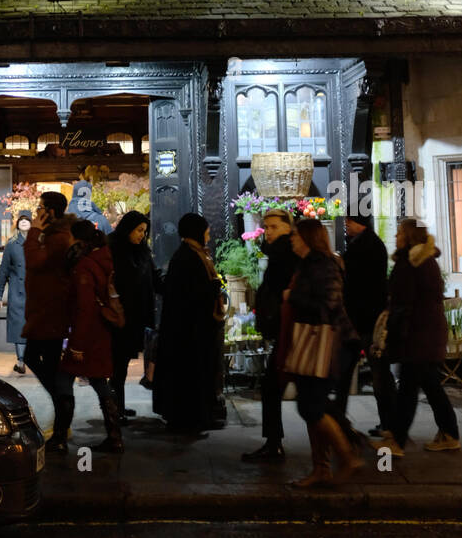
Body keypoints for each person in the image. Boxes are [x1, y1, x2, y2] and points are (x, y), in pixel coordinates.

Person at [283, 218, 361, 488]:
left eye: (295, 235)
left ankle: (347, 456)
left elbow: (329, 303)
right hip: (314, 343)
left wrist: (291, 297)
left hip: (329, 343)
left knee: (311, 406)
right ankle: (322, 468)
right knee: (309, 406)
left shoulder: (325, 264)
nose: (291, 239)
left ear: (307, 238)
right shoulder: (307, 264)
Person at [374, 221, 460, 455]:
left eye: (400, 232)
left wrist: (392, 332)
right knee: (430, 385)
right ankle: (449, 433)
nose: (396, 235)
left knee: (408, 389)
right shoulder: (424, 261)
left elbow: (403, 303)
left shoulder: (413, 263)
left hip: (417, 335)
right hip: (426, 333)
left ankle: (396, 441)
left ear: (410, 236)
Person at [49, 221, 123, 454]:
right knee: (100, 381)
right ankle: (114, 436)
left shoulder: (84, 266)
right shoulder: (104, 258)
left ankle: (60, 437)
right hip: (101, 332)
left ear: (77, 239)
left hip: (87, 334)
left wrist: (77, 344)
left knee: (63, 380)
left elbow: (84, 307)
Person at [152, 213, 227, 434]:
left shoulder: (193, 254)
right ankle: (188, 419)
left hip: (191, 329)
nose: (209, 235)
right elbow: (188, 295)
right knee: (189, 375)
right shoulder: (187, 257)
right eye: (206, 232)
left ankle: (196, 416)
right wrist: (212, 289)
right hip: (187, 331)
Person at [241, 207, 299, 462]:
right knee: (290, 390)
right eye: (267, 227)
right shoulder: (279, 252)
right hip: (287, 331)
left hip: (292, 332)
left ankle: (274, 444)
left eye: (275, 227)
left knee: (275, 387)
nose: (269, 232)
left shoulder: (286, 254)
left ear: (289, 227)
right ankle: (274, 443)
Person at [333, 213, 394, 437]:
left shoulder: (367, 246)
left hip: (364, 320)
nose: (346, 226)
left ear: (360, 224)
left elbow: (356, 280)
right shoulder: (367, 243)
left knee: (376, 373)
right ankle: (387, 422)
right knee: (359, 372)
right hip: (362, 319)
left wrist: (341, 263)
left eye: (350, 222)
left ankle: (388, 423)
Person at [22, 191, 73, 415]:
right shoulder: (55, 234)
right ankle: (61, 408)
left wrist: (33, 231)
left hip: (49, 311)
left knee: (38, 358)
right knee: (45, 360)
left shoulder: (57, 237)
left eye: (40, 208)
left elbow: (34, 261)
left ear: (50, 211)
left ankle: (62, 404)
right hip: (45, 310)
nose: (37, 212)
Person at [108, 209, 163, 418]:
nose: (141, 235)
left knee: (121, 364)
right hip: (120, 316)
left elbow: (154, 277)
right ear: (128, 229)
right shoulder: (114, 248)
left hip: (136, 316)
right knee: (118, 366)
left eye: (144, 231)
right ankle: (114, 410)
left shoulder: (141, 251)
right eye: (139, 230)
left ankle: (118, 407)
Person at [0, 211, 30, 374]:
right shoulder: (11, 244)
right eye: (21, 220)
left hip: (35, 292)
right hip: (17, 291)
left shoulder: (39, 243)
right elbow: (3, 271)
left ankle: (32, 359)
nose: (24, 222)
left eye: (27, 220)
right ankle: (21, 360)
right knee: (18, 325)